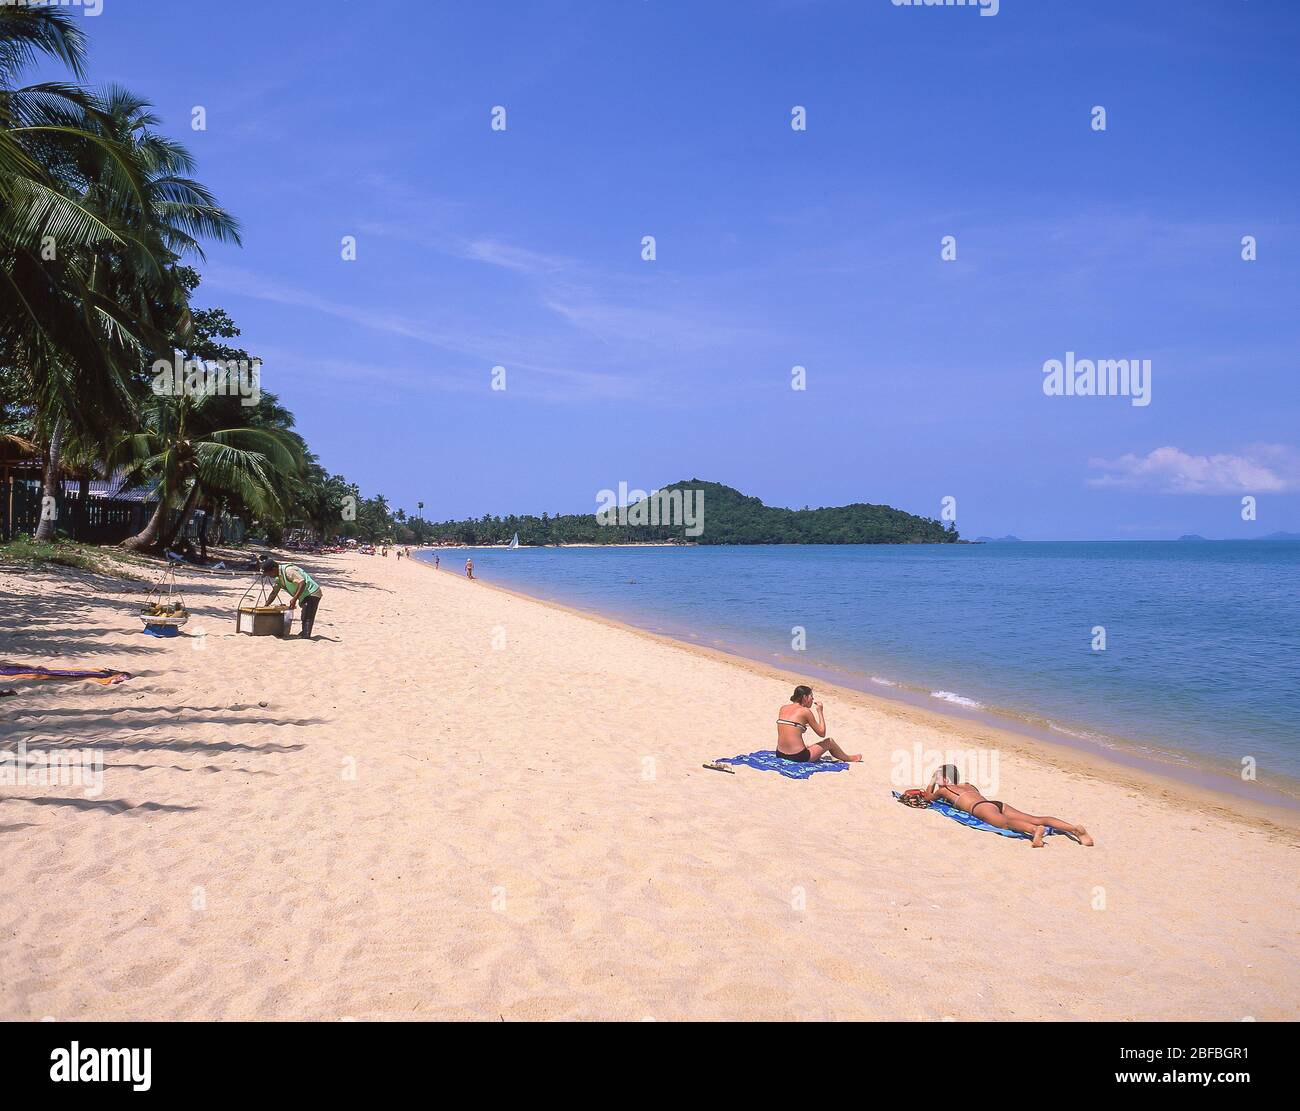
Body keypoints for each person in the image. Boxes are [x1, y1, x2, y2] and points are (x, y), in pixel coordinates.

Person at [920, 764, 1094, 847]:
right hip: (995, 803)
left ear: (944, 778)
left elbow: (928, 798)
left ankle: (1035, 831)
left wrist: (933, 781)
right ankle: (1074, 829)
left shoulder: (944, 790)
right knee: (1036, 817)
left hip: (981, 809)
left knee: (1006, 823)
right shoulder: (967, 785)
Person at [775, 685, 860, 763]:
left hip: (780, 754)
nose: (812, 700)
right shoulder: (805, 711)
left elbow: (791, 728)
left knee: (807, 745)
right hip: (798, 757)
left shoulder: (783, 708)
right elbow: (822, 733)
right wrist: (820, 711)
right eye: (811, 696)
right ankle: (849, 758)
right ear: (805, 697)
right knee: (829, 742)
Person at [261, 558, 324, 639]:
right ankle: (304, 633)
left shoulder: (288, 570)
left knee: (307, 615)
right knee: (304, 614)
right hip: (304, 595)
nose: (269, 576)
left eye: (269, 573)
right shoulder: (279, 578)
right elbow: (274, 593)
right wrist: (265, 606)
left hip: (312, 592)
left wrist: (294, 599)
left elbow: (302, 583)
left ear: (274, 569)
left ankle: (306, 635)